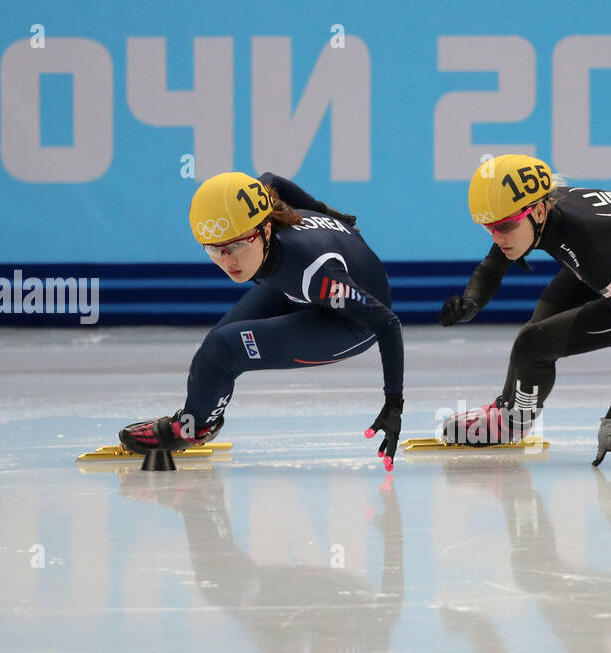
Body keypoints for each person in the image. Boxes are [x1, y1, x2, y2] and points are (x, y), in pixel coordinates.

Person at [119, 171, 405, 470]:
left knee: (224, 348)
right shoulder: (260, 219)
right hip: (298, 283)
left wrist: (393, 404)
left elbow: (386, 323)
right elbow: (272, 181)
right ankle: (205, 416)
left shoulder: (314, 272)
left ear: (266, 230)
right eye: (215, 249)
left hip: (351, 321)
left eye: (239, 245)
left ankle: (192, 429)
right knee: (212, 352)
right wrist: (327, 212)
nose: (229, 261)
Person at [437, 154, 611, 467]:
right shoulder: (534, 209)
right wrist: (470, 305)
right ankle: (506, 409)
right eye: (489, 228)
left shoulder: (593, 247)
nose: (497, 237)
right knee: (536, 331)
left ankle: (510, 423)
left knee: (534, 344)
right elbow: (493, 267)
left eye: (505, 226)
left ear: (537, 212)